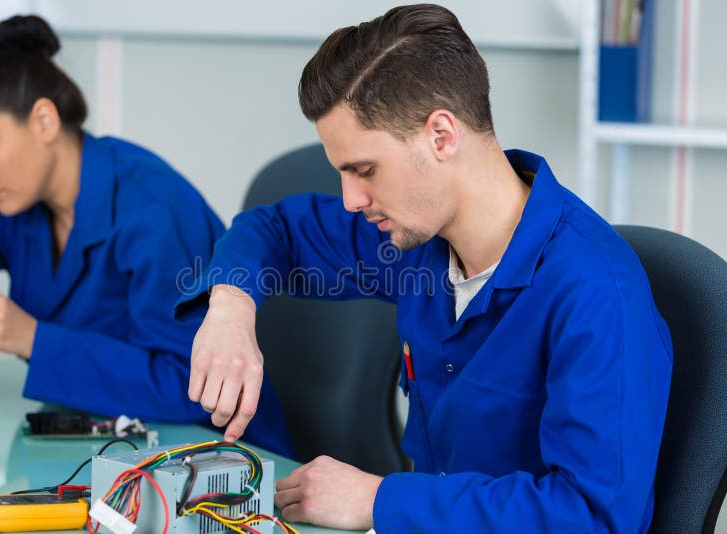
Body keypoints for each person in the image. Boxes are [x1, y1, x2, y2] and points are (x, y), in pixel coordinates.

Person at [174, 3, 673, 532]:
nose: (350, 199)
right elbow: (273, 229)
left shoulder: (595, 293)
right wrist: (230, 308)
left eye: (364, 170)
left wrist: (378, 501)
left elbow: (592, 516)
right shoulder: (416, 241)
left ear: (441, 135)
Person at [0, 15, 291, 456]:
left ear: (43, 120)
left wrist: (30, 338)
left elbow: (192, 387)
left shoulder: (152, 212)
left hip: (217, 461)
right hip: (101, 450)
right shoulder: (11, 206)